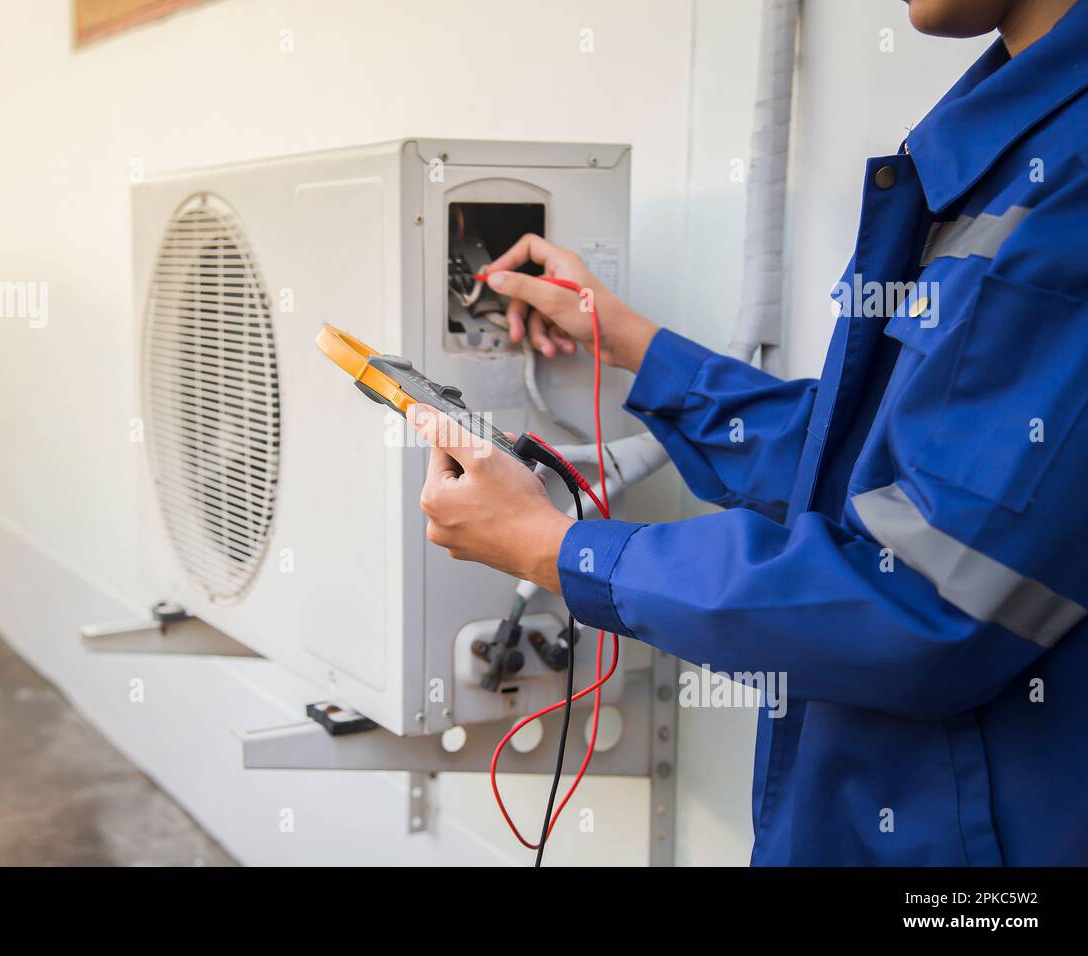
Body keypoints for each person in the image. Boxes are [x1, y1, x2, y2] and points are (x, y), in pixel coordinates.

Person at [407, 0, 1088, 865]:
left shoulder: (1068, 175)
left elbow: (925, 599)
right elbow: (869, 459)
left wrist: (559, 549)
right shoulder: (1008, 135)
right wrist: (635, 347)